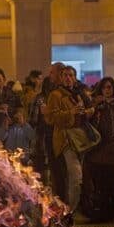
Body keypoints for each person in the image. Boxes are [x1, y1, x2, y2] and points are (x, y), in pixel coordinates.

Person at [44, 64, 94, 210]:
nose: (68, 78)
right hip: (65, 139)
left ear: (75, 78)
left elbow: (90, 110)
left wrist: (87, 112)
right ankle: (70, 209)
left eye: (71, 75)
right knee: (75, 175)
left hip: (81, 138)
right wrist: (70, 112)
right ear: (60, 78)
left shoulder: (78, 94)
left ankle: (74, 207)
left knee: (78, 177)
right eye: (65, 75)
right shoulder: (55, 95)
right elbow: (50, 118)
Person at [82, 77, 114, 222]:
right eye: (104, 87)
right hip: (97, 145)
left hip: (113, 145)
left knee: (111, 178)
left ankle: (111, 211)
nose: (107, 90)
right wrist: (96, 106)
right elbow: (89, 121)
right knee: (99, 179)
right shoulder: (97, 103)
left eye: (109, 87)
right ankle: (101, 211)